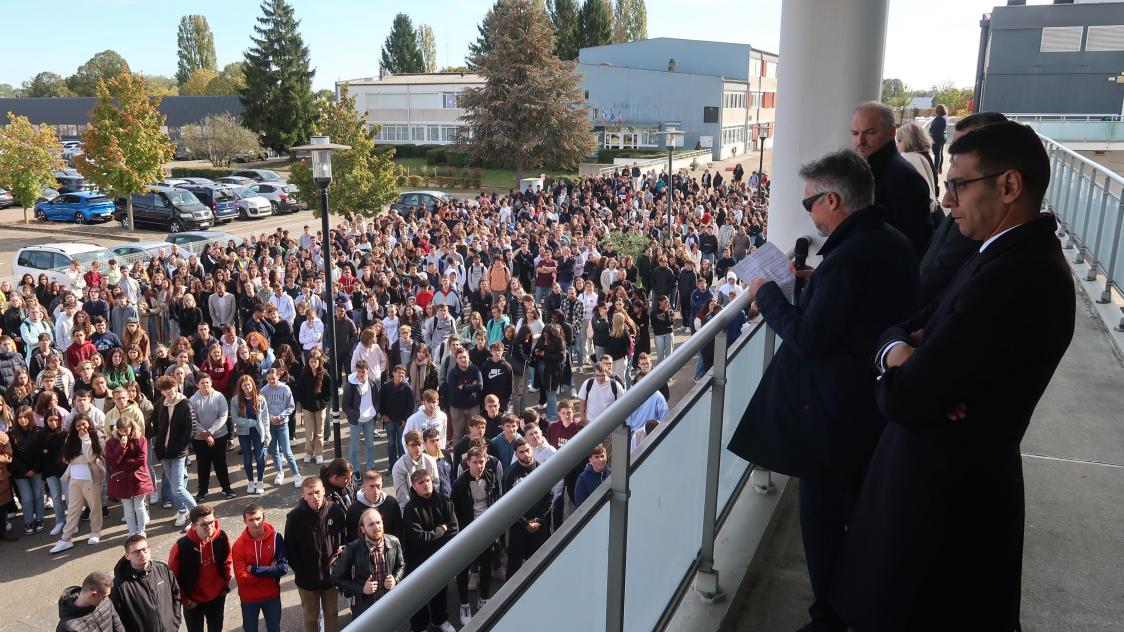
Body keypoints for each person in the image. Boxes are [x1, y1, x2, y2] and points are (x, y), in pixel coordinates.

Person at [834, 122, 1075, 631]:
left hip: (942, 513)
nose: (946, 201)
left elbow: (904, 400)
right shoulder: (1002, 255)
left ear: (1009, 186)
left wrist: (904, 369)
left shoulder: (1016, 277)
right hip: (943, 494)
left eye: (958, 185)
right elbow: (904, 327)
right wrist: (903, 354)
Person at [730, 148, 919, 632]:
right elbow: (859, 311)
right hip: (868, 409)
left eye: (808, 203)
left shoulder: (849, 256)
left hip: (835, 420)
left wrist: (766, 293)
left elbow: (810, 340)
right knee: (859, 518)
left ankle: (830, 620)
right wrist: (816, 286)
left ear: (832, 200)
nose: (808, 213)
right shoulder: (890, 240)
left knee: (825, 526)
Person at [915, 112, 1007, 307]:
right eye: (954, 148)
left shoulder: (977, 222)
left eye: (962, 184)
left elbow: (940, 279)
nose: (947, 201)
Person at [850, 101, 933, 256]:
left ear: (892, 132)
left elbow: (915, 243)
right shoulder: (867, 171)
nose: (860, 141)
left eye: (870, 132)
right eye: (855, 133)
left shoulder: (904, 178)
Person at [285, 476, 347, 632]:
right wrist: (302, 572)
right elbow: (290, 550)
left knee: (332, 614)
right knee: (311, 618)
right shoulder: (294, 517)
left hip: (332, 578)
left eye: (318, 492)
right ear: (303, 496)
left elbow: (344, 539)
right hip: (307, 581)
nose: (315, 497)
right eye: (310, 494)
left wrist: (339, 567)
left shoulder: (336, 510)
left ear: (324, 491)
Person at [402, 469, 458, 632]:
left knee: (440, 590)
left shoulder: (444, 500)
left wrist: (435, 537)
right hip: (418, 560)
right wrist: (440, 530)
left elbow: (453, 530)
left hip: (441, 557)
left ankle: (439, 620)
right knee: (418, 596)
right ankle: (419, 627)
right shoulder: (411, 509)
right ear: (414, 486)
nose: (426, 485)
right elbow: (419, 538)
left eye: (427, 480)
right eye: (421, 483)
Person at [450, 446, 500, 624]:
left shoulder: (491, 477)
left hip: (486, 529)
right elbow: (453, 513)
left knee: (487, 565)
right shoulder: (459, 484)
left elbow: (496, 501)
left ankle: (484, 598)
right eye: (475, 462)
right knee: (463, 569)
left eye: (481, 462)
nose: (479, 465)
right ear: (467, 463)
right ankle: (464, 604)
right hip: (467, 532)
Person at [330, 506, 406, 619]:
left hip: (389, 604)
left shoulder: (394, 542)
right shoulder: (352, 549)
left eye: (378, 522)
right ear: (363, 529)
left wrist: (395, 579)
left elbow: (401, 565)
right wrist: (362, 589)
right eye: (371, 524)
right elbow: (336, 578)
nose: (376, 527)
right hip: (364, 609)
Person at [168, 505, 233, 632]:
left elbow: (227, 562)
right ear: (193, 526)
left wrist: (224, 586)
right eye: (204, 524)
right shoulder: (181, 547)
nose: (209, 527)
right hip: (193, 601)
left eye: (211, 522)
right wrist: (185, 600)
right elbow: (172, 577)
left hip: (217, 597)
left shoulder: (221, 537)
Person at [49, 414, 106, 553]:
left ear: (89, 423)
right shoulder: (71, 438)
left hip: (91, 478)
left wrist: (85, 440)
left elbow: (92, 457)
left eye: (84, 424)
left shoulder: (97, 435)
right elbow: (66, 458)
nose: (82, 428)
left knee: (94, 507)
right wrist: (83, 458)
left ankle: (95, 531)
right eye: (78, 425)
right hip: (74, 478)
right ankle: (66, 538)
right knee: (73, 509)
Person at [232, 503, 288, 632]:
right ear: (245, 521)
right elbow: (241, 578)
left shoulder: (276, 538)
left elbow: (283, 568)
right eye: (251, 520)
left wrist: (253, 569)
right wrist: (270, 569)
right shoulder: (238, 546)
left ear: (264, 518)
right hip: (249, 599)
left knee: (274, 629)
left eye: (258, 519)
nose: (255, 523)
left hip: (272, 596)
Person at [111, 534, 183, 632]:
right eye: (136, 552)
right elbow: (117, 618)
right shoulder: (119, 585)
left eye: (145, 549)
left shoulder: (163, 569)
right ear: (127, 556)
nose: (142, 554)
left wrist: (176, 620)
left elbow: (175, 594)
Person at [502, 438, 552, 577]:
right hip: (519, 527)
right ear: (516, 454)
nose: (526, 454)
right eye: (521, 452)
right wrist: (525, 523)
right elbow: (508, 505)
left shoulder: (543, 469)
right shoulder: (510, 475)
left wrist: (538, 519)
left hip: (539, 525)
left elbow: (550, 497)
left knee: (539, 564)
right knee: (515, 563)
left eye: (528, 450)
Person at [152, 375, 197, 527]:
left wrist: (180, 447)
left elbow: (190, 429)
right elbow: (158, 426)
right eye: (164, 390)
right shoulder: (162, 404)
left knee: (177, 488)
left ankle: (198, 515)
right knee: (173, 487)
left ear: (176, 386)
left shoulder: (185, 404)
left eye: (170, 388)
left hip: (178, 452)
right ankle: (183, 511)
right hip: (164, 453)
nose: (168, 392)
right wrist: (159, 447)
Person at [105, 415, 153, 538]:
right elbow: (112, 461)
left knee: (139, 505)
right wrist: (121, 447)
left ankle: (141, 530)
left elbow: (141, 460)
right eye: (120, 430)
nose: (123, 433)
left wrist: (122, 464)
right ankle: (132, 531)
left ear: (132, 428)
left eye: (126, 430)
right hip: (121, 479)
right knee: (128, 508)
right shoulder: (111, 442)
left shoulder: (140, 439)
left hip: (138, 478)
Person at [189, 375, 235, 501]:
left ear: (211, 382)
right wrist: (204, 432)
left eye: (207, 382)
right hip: (200, 438)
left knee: (220, 464)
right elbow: (192, 419)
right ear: (197, 385)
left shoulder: (219, 396)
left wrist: (210, 431)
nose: (205, 385)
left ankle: (226, 488)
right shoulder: (192, 400)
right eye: (202, 383)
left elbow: (223, 416)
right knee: (203, 465)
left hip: (219, 436)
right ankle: (202, 491)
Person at [259, 367, 301, 488]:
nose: (271, 381)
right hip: (270, 425)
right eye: (268, 379)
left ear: (278, 377)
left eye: (273, 378)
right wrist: (271, 417)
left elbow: (291, 406)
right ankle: (279, 472)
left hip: (283, 424)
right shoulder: (263, 391)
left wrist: (281, 416)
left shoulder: (285, 388)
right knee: (275, 451)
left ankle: (296, 474)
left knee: (287, 451)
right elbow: (262, 409)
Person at [231, 374, 271, 495]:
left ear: (252, 385)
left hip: (258, 432)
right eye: (244, 385)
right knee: (247, 459)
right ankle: (250, 481)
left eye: (249, 384)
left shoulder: (260, 399)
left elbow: (265, 418)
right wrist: (249, 422)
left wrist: (267, 434)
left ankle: (260, 481)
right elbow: (235, 418)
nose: (247, 387)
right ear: (241, 387)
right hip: (244, 433)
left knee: (259, 458)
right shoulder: (235, 400)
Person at [343, 359, 380, 475]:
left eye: (363, 371)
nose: (361, 374)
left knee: (370, 445)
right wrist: (357, 415)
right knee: (354, 447)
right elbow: (345, 406)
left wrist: (374, 411)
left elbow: (377, 400)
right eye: (359, 371)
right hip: (356, 421)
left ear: (367, 371)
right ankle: (355, 470)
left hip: (369, 420)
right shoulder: (350, 385)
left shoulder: (372, 384)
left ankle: (370, 467)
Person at [56, 571, 124, 632]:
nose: (106, 599)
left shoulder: (105, 603)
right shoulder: (67, 628)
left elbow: (118, 627)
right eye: (104, 596)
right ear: (93, 594)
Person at [346, 468, 403, 542]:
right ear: (364, 487)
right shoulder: (354, 509)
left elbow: (398, 530)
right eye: (371, 486)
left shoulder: (391, 503)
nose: (375, 490)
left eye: (378, 486)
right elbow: (353, 537)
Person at [295, 351, 331, 464]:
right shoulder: (304, 375)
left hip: (320, 408)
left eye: (315, 361)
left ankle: (319, 453)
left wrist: (323, 403)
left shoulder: (325, 375)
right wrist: (304, 402)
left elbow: (328, 393)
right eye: (311, 361)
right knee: (309, 432)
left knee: (319, 432)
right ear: (308, 362)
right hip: (307, 408)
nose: (313, 364)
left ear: (319, 362)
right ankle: (309, 452)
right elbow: (299, 391)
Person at [392, 430, 440, 509]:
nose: (417, 448)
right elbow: (403, 497)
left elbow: (436, 485)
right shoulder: (399, 467)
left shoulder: (431, 461)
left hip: (431, 504)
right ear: (406, 446)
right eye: (413, 445)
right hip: (411, 508)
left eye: (419, 444)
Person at [379, 364, 414, 469]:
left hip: (401, 422)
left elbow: (410, 406)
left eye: (403, 373)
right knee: (391, 443)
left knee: (401, 443)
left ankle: (403, 466)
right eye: (399, 373)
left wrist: (405, 419)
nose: (401, 375)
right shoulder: (386, 387)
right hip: (389, 420)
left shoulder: (407, 388)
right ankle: (392, 465)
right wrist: (383, 415)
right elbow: (380, 402)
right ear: (393, 373)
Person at [446, 347, 483, 445]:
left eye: (465, 357)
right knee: (458, 434)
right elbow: (454, 391)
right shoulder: (452, 373)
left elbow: (479, 387)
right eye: (460, 357)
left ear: (469, 357)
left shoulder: (475, 370)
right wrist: (472, 386)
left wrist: (464, 387)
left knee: (472, 433)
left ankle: (472, 456)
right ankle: (458, 458)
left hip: (473, 407)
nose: (463, 359)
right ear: (456, 359)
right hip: (457, 408)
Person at [402, 389, 448, 453]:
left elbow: (443, 437)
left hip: (436, 455)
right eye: (429, 402)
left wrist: (442, 451)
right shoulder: (413, 419)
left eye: (434, 402)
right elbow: (405, 439)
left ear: (438, 402)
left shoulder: (442, 416)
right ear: (423, 402)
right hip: (420, 455)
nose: (431, 405)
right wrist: (411, 456)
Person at [929, 103, 948, 174]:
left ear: (937, 111)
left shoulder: (938, 119)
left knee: (937, 154)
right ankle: (939, 168)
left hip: (938, 138)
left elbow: (933, 130)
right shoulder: (944, 118)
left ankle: (935, 169)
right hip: (943, 137)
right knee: (940, 153)